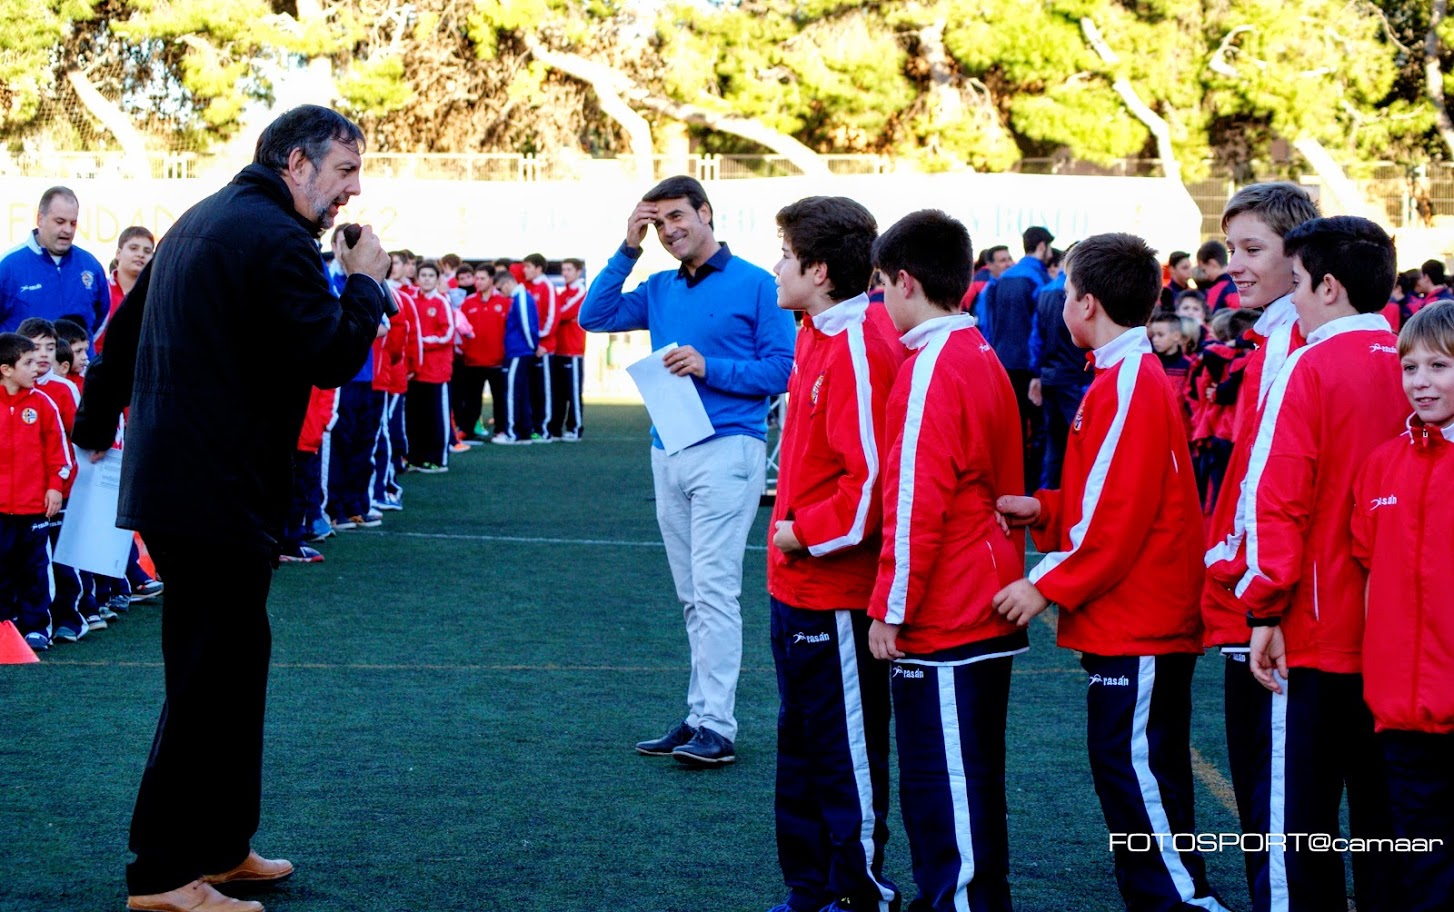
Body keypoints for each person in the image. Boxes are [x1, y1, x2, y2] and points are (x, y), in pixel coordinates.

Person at [71, 104, 391, 912]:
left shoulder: (202, 219)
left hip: (188, 488)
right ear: (295, 163)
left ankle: (216, 847)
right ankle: (163, 876)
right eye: (344, 170)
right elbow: (330, 357)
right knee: (211, 678)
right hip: (214, 493)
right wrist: (366, 285)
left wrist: (95, 422)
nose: (353, 190)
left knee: (229, 669)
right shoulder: (273, 236)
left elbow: (119, 333)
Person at [993, 233, 1228, 912]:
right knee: (1138, 765)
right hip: (1136, 614)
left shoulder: (1127, 382)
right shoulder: (1120, 375)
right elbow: (1110, 494)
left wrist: (1043, 585)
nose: (1062, 305)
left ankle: (1182, 898)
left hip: (1141, 617)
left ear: (1086, 304)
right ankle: (1168, 890)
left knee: (1134, 767)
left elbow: (1114, 520)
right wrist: (1041, 506)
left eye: (1066, 294)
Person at [1213, 216, 1404, 912]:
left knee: (1304, 825)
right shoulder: (1414, 358)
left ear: (1327, 285)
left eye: (1295, 282)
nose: (1290, 299)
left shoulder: (1311, 364)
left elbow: (1275, 498)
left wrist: (1262, 606)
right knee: (1390, 824)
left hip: (1317, 634)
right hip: (1397, 636)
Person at [579, 175, 794, 765]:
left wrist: (709, 366)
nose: (670, 230)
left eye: (678, 217)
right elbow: (592, 317)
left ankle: (718, 726)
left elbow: (783, 370)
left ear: (706, 213)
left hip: (730, 448)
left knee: (716, 591)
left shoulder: (757, 284)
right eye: (659, 222)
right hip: (667, 448)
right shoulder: (657, 285)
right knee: (692, 595)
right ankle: (700, 715)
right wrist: (627, 246)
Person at [865, 210, 1026, 912]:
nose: (879, 301)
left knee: (947, 790)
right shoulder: (977, 350)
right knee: (966, 783)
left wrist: (889, 607)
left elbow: (913, 501)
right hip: (979, 596)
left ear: (904, 281)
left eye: (881, 286)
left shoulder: (932, 366)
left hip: (949, 615)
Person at [764, 196, 900, 912]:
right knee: (802, 746)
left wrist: (801, 532)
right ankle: (810, 886)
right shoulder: (817, 330)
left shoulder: (857, 344)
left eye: (784, 254)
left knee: (845, 752)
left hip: (836, 590)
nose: (775, 265)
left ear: (818, 270)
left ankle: (861, 890)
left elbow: (869, 481)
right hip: (796, 588)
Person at [1197, 183, 1322, 909]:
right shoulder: (1276, 335)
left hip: (1276, 602)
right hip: (1261, 592)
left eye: (1252, 250)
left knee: (1275, 790)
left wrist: (1252, 586)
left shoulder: (1299, 342)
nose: (1234, 265)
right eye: (1232, 247)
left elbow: (1276, 487)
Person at [1351, 300, 1454, 911]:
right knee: (1422, 869)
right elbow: (1370, 577)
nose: (1421, 381)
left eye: (1439, 366)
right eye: (1409, 367)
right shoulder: (1381, 466)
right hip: (1401, 713)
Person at [0, 332, 70, 652]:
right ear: (6, 369)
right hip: (1, 510)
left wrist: (55, 488)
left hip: (33, 509)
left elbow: (60, 454)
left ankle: (37, 627)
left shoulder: (43, 404)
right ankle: (5, 627)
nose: (37, 368)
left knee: (34, 570)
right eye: (27, 362)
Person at [983, 225, 1053, 493]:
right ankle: (1031, 485)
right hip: (1029, 366)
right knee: (1038, 430)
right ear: (1043, 246)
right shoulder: (1039, 280)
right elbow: (1040, 329)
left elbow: (989, 325)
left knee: (1010, 428)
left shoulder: (1001, 280)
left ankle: (1010, 482)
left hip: (1003, 362)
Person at [0, 186, 109, 334]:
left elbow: (100, 319)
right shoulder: (9, 266)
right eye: (60, 221)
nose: (68, 230)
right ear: (40, 219)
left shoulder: (90, 265)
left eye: (73, 223)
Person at [404, 260, 454, 472]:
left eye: (431, 276)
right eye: (423, 275)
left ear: (437, 279)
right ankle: (416, 457)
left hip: (437, 372)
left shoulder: (441, 302)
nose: (426, 279)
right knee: (416, 418)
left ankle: (439, 459)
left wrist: (422, 341)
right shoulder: (412, 300)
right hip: (416, 372)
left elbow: (448, 334)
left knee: (437, 418)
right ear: (417, 278)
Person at [494, 268, 539, 445]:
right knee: (522, 393)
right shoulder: (521, 297)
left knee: (511, 392)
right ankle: (524, 432)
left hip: (518, 352)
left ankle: (512, 433)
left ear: (507, 283)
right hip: (521, 351)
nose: (500, 292)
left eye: (499, 288)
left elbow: (527, 325)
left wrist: (532, 346)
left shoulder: (521, 298)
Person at [97, 227, 156, 353]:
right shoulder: (102, 290)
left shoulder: (155, 297)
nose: (140, 254)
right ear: (118, 253)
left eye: (147, 251)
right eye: (133, 248)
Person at [522, 252, 558, 440]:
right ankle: (534, 426)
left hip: (544, 349)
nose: (524, 270)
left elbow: (552, 318)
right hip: (531, 347)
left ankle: (544, 429)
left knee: (544, 390)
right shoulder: (527, 287)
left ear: (538, 268)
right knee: (533, 390)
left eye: (528, 266)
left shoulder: (547, 287)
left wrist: (540, 342)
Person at [552, 257, 587, 440]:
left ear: (578, 272)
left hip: (573, 351)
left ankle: (575, 428)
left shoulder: (581, 292)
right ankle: (556, 428)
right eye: (563, 269)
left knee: (573, 393)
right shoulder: (561, 293)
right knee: (558, 393)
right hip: (558, 350)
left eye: (568, 269)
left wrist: (552, 314)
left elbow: (561, 313)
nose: (564, 273)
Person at [1196, 240, 1239, 313]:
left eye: (1204, 270)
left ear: (1212, 264)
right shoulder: (1242, 283)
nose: (1205, 275)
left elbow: (1210, 319)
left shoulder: (1216, 290)